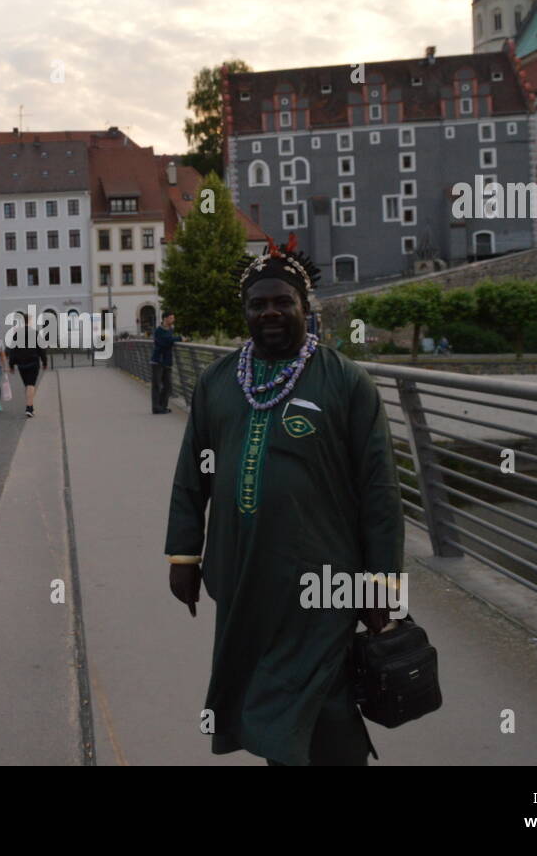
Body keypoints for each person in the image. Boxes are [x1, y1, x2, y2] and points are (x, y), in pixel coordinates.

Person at [164, 234, 404, 766]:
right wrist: (185, 555)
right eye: (259, 304)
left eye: (282, 302)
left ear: (304, 307)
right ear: (245, 312)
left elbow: (379, 491)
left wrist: (381, 580)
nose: (270, 312)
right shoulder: (219, 383)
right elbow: (192, 476)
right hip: (242, 575)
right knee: (265, 693)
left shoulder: (346, 382)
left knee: (328, 697)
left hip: (323, 578)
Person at [6, 317, 48, 418]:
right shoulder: (35, 333)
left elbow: (12, 350)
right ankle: (29, 407)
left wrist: (11, 365)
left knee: (27, 385)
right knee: (31, 384)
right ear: (29, 321)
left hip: (21, 364)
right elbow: (41, 349)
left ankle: (30, 406)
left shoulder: (16, 334)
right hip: (33, 362)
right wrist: (45, 362)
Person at [151, 312, 183, 414]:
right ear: (165, 319)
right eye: (171, 318)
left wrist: (176, 339)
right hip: (158, 361)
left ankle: (163, 406)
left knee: (168, 385)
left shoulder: (170, 330)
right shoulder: (158, 331)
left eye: (173, 318)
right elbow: (165, 341)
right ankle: (156, 407)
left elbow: (169, 340)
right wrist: (179, 338)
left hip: (167, 361)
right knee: (157, 384)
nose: (172, 320)